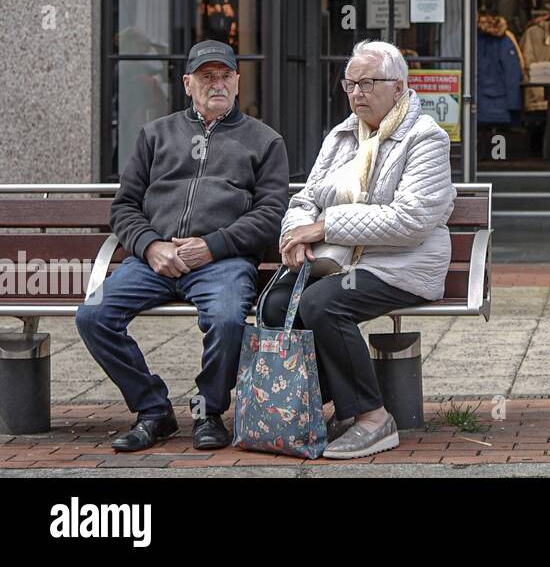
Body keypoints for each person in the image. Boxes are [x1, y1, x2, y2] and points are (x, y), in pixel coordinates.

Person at [76, 40, 289, 452]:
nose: (217, 84)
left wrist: (212, 246)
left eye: (225, 76)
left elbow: (270, 214)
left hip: (223, 261)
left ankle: (209, 410)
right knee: (93, 316)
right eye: (207, 77)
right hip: (153, 260)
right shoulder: (155, 134)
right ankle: (153, 410)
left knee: (227, 320)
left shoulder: (264, 141)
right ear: (188, 84)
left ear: (238, 82)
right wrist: (150, 246)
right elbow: (124, 207)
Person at [264, 40, 455, 459]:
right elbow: (305, 200)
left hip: (401, 263)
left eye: (368, 83)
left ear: (399, 87)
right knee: (277, 304)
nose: (356, 93)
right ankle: (323, 402)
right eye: (350, 84)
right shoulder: (342, 135)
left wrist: (325, 226)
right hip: (341, 260)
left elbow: (411, 220)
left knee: (322, 304)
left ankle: (372, 417)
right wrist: (295, 235)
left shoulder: (426, 138)